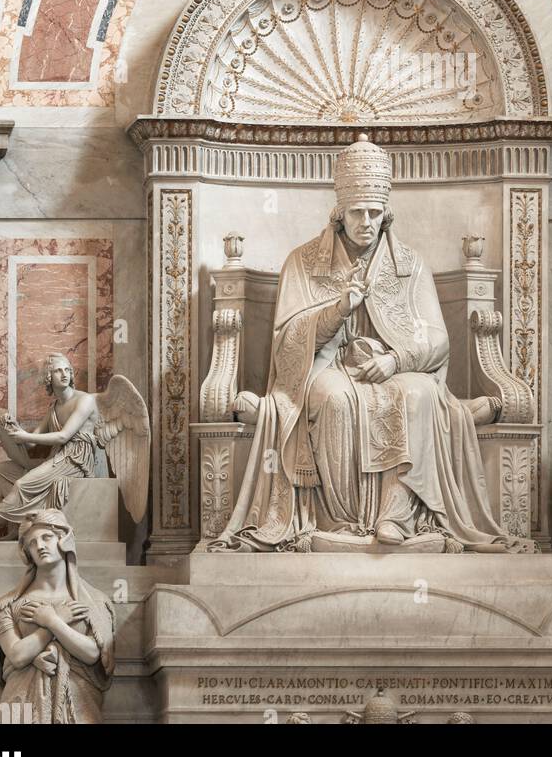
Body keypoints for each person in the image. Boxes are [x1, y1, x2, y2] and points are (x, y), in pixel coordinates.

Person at [210, 135, 525, 553]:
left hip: (395, 369)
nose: (366, 221)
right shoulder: (302, 262)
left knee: (420, 394)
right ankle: (342, 522)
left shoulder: (410, 264)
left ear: (385, 214)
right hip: (329, 369)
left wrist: (396, 360)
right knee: (335, 400)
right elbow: (287, 343)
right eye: (357, 212)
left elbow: (437, 339)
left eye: (375, 212)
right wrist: (337, 310)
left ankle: (396, 516)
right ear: (339, 213)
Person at [0, 353, 101, 544]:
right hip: (57, 457)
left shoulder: (85, 400)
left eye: (67, 370)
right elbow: (31, 443)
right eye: (58, 371)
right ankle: (23, 525)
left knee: (23, 484)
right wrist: (11, 428)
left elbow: (63, 436)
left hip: (75, 461)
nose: (64, 374)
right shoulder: (54, 407)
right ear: (49, 377)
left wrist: (25, 436)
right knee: (4, 470)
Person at [0, 509, 115, 724]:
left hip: (79, 708)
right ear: (27, 552)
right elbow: (17, 655)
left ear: (63, 539)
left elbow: (93, 653)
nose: (39, 546)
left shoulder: (95, 602)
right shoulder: (7, 605)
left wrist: (52, 621)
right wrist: (54, 622)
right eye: (32, 543)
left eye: (46, 537)